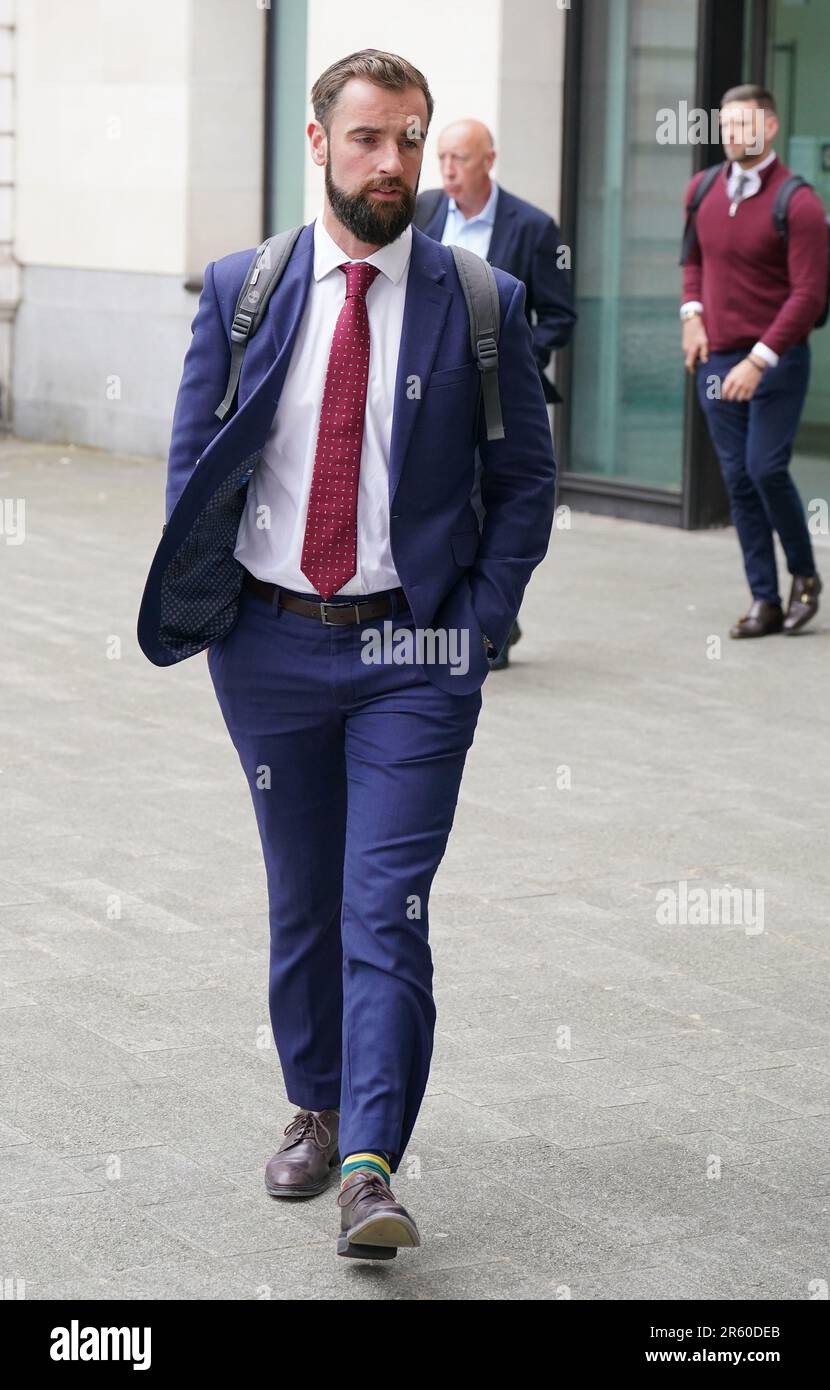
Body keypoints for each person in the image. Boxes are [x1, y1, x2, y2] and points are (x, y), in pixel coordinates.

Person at [137, 49, 556, 1261]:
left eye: (410, 140)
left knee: (387, 905)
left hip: (413, 653)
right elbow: (193, 475)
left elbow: (522, 484)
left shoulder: (477, 300)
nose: (392, 164)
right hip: (269, 644)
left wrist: (472, 631)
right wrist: (211, 618)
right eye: (369, 138)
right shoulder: (243, 288)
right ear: (317, 144)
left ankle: (370, 1164)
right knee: (302, 895)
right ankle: (314, 1105)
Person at [414, 119, 575, 668]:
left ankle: (490, 622)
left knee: (492, 500)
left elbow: (560, 315)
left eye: (459, 157)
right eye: (442, 157)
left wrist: (514, 361)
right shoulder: (421, 211)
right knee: (447, 498)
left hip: (499, 396)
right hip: (429, 391)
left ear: (489, 160)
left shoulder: (532, 227)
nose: (448, 170)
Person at [681, 84, 826, 638]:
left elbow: (809, 295)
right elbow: (692, 259)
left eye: (743, 125)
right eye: (725, 126)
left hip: (777, 361)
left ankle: (806, 578)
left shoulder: (800, 202)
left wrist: (760, 360)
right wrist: (691, 314)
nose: (731, 135)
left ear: (769, 128)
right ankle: (763, 598)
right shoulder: (702, 191)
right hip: (718, 361)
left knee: (766, 468)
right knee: (739, 479)